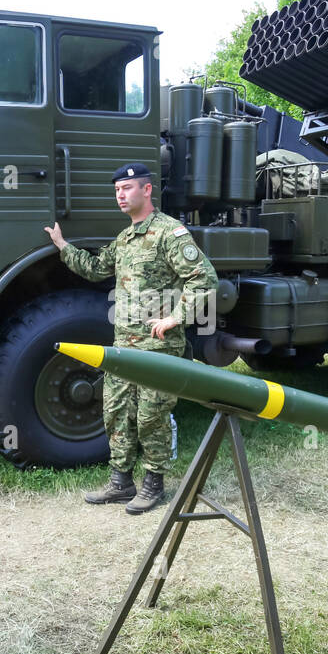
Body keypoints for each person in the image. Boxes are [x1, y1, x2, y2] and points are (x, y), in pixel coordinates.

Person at [45, 163, 217, 514]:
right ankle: (120, 483)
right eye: (117, 191)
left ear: (147, 190)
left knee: (151, 417)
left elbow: (204, 280)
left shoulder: (170, 233)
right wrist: (63, 245)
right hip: (124, 347)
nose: (120, 195)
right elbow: (95, 269)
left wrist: (175, 317)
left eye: (126, 188)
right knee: (117, 412)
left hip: (158, 347)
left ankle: (154, 485)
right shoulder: (124, 239)